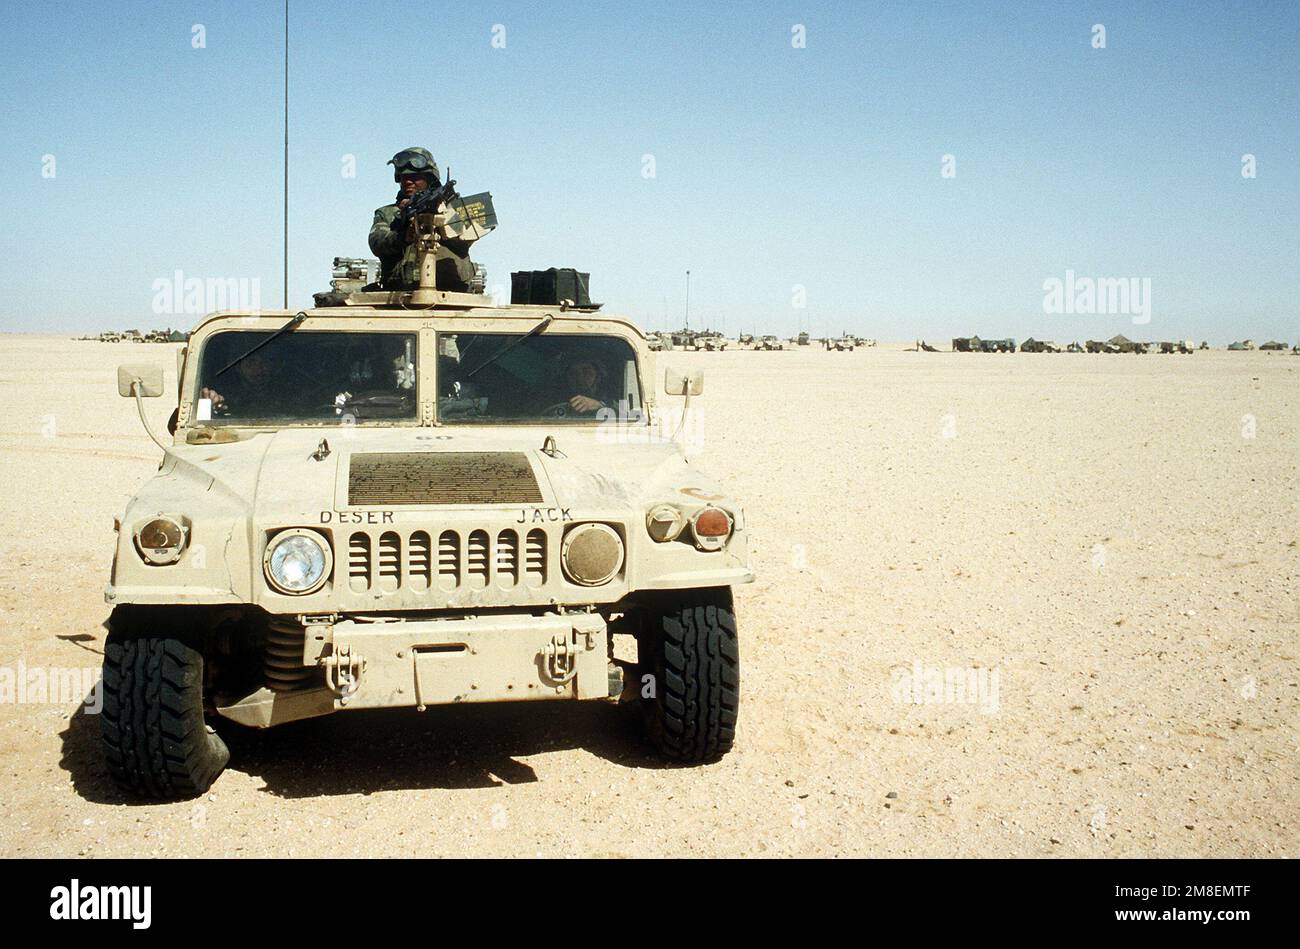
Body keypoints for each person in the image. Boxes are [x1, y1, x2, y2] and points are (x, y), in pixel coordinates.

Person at [368, 147, 475, 291]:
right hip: (401, 293)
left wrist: (442, 219)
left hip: (452, 292)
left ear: (429, 178)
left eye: (415, 177)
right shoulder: (387, 213)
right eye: (403, 178)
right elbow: (377, 243)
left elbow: (470, 236)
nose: (408, 182)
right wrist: (402, 236)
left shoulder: (452, 209)